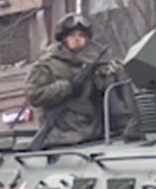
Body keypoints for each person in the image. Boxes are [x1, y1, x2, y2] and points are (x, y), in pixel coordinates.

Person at [25, 13, 123, 147]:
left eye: (81, 35)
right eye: (72, 35)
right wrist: (68, 87)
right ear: (64, 38)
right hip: (61, 137)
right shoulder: (47, 65)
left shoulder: (92, 64)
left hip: (93, 136)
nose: (77, 39)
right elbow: (33, 95)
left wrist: (108, 74)